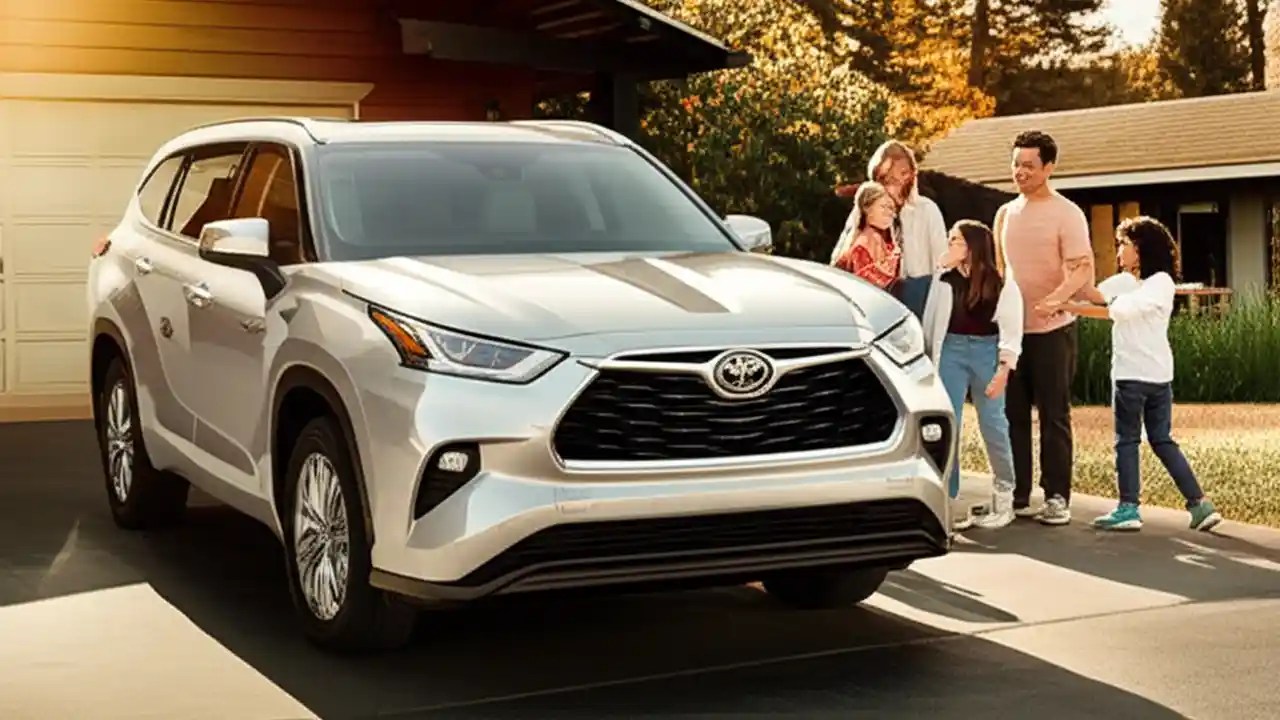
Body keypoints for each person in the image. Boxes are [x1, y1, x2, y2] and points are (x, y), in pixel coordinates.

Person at [1045, 216, 1224, 533]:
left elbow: (1116, 311)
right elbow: (1094, 294)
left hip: (1140, 377)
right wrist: (1072, 271)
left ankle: (1131, 508)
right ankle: (1199, 505)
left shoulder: (1160, 284)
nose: (1119, 252)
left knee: (1132, 441)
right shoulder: (1126, 281)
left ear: (1141, 248)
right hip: (1146, 374)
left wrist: (1067, 307)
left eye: (1124, 245)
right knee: (1157, 440)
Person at [994, 130, 1094, 526]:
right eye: (1016, 164)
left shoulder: (1066, 213)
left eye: (1029, 166)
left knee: (1054, 416)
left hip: (1054, 331)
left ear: (1049, 167)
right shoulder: (1005, 213)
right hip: (1013, 335)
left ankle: (1056, 497)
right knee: (1012, 415)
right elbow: (1003, 272)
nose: (1020, 172)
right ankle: (1019, 494)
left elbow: (1081, 266)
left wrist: (1057, 298)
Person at [923, 220, 1024, 531]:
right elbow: (931, 321)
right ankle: (946, 499)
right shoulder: (943, 279)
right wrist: (940, 268)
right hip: (950, 351)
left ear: (972, 246)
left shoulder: (1002, 281)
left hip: (987, 351)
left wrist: (1003, 370)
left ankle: (1004, 497)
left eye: (956, 240)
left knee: (993, 422)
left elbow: (1011, 328)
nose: (949, 245)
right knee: (947, 422)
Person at [831, 140, 948, 318]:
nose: (896, 184)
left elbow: (942, 267)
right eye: (887, 179)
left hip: (918, 297)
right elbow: (840, 257)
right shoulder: (864, 209)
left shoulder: (927, 210)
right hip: (876, 296)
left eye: (903, 175)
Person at [832, 182, 901, 291]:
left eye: (891, 208)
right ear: (867, 209)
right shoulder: (861, 247)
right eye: (883, 206)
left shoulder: (885, 242)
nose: (890, 213)